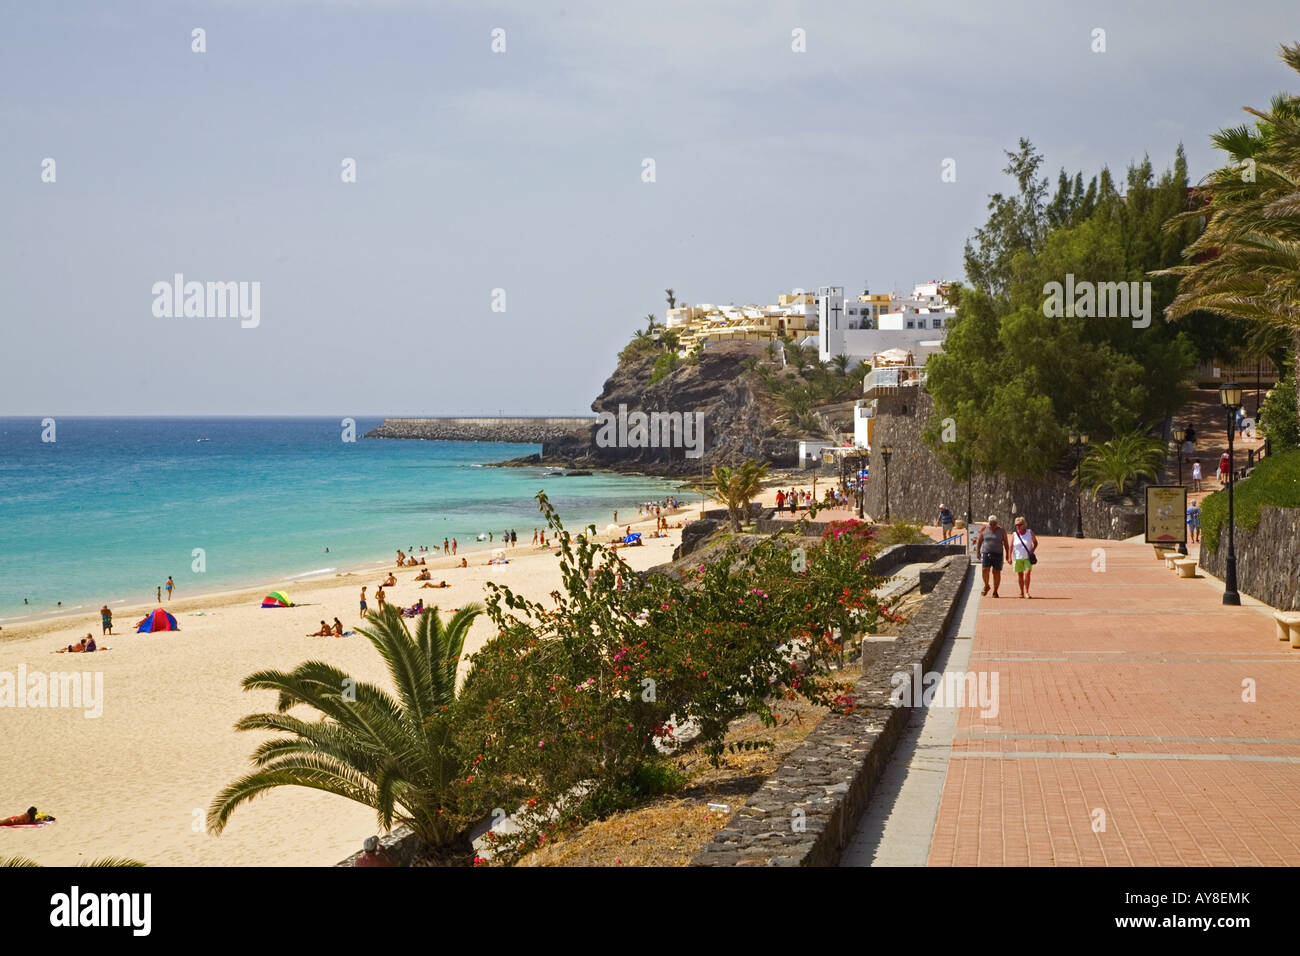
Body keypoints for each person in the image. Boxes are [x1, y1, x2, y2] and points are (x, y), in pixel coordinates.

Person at [976, 515, 1011, 598]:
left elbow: (1006, 543)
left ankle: (995, 591)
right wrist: (978, 552)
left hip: (998, 554)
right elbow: (980, 541)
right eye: (991, 523)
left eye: (994, 523)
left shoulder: (1001, 530)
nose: (993, 525)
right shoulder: (984, 529)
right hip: (986, 552)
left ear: (997, 523)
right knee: (985, 570)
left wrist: (1007, 554)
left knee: (996, 572)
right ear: (989, 523)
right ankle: (986, 585)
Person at [1010, 516, 1039, 598]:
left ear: (1024, 525)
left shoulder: (1029, 532)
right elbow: (1011, 546)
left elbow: (1036, 543)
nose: (1018, 527)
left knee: (1027, 573)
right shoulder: (1014, 534)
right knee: (1020, 575)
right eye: (1016, 525)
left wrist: (1032, 551)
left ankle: (1027, 592)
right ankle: (1021, 592)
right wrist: (1009, 557)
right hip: (1017, 557)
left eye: (1020, 525)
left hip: (1027, 557)